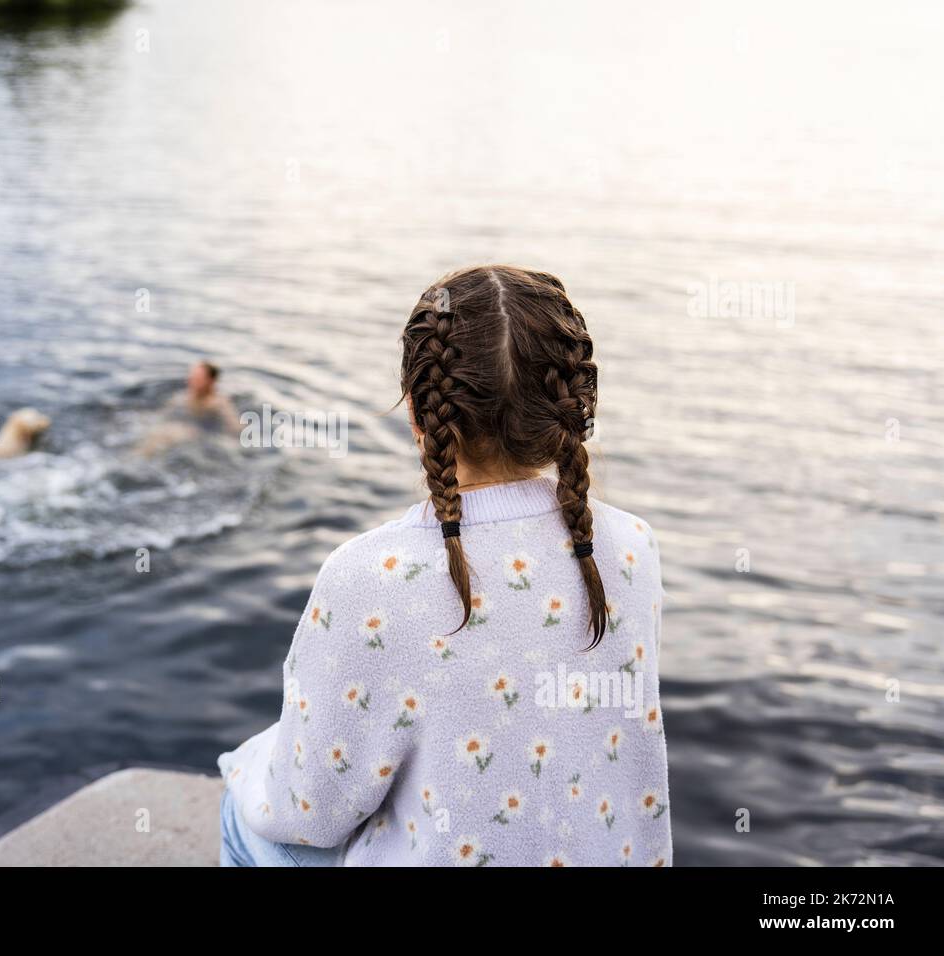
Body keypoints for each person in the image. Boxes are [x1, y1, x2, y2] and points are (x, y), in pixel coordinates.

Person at [216, 266, 672, 866]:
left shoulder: (367, 576)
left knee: (243, 808)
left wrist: (246, 767)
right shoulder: (632, 545)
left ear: (418, 415)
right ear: (570, 411)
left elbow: (310, 813)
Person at [137, 361, 240, 456]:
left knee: (172, 432)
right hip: (186, 430)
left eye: (197, 378)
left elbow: (234, 427)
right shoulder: (182, 397)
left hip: (206, 436)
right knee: (156, 433)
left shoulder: (218, 402)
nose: (190, 380)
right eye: (191, 377)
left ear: (211, 381)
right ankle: (138, 457)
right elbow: (163, 414)